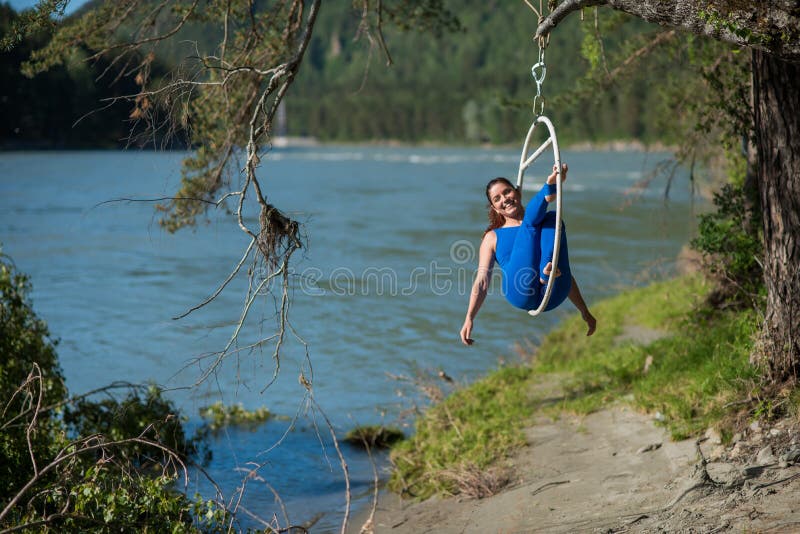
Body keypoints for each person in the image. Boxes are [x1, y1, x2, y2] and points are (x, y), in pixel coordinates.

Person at [459, 163, 596, 346]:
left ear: (518, 192)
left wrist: (584, 311)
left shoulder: (547, 223)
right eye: (497, 198)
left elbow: (566, 275)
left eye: (507, 192)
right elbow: (482, 281)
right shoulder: (492, 237)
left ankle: (546, 273)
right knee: (531, 225)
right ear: (494, 208)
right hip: (520, 289)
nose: (504, 199)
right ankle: (547, 190)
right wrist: (469, 317)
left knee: (552, 218)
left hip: (554, 292)